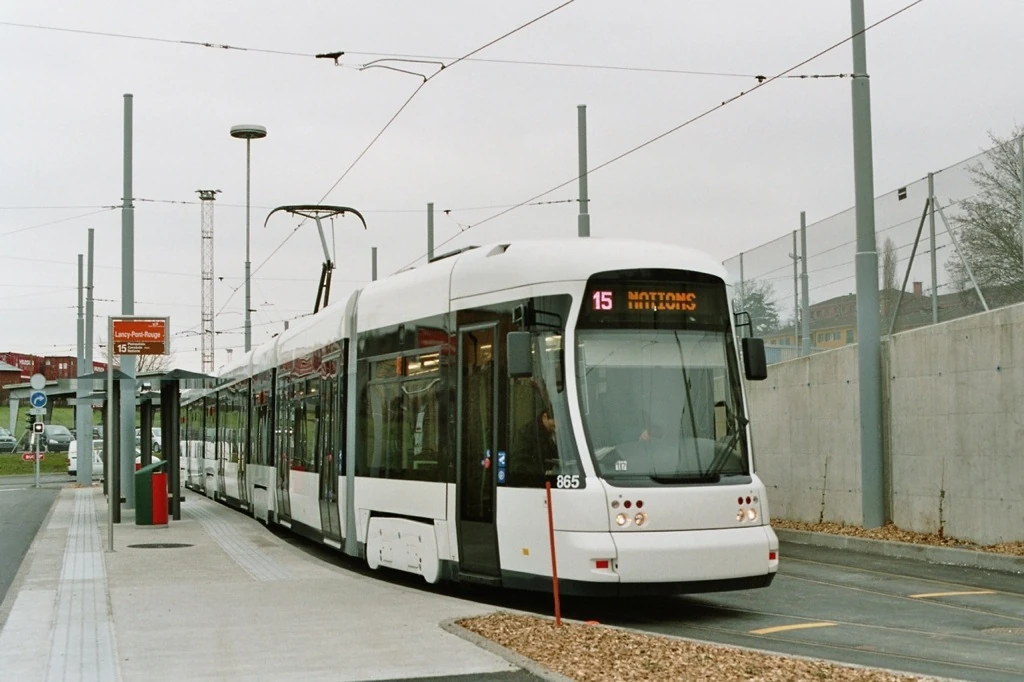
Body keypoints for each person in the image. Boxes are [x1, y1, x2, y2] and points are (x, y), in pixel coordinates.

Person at [511, 402, 558, 485]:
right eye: (554, 425)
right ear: (545, 417)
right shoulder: (527, 433)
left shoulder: (550, 433)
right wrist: (542, 472)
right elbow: (519, 465)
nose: (556, 428)